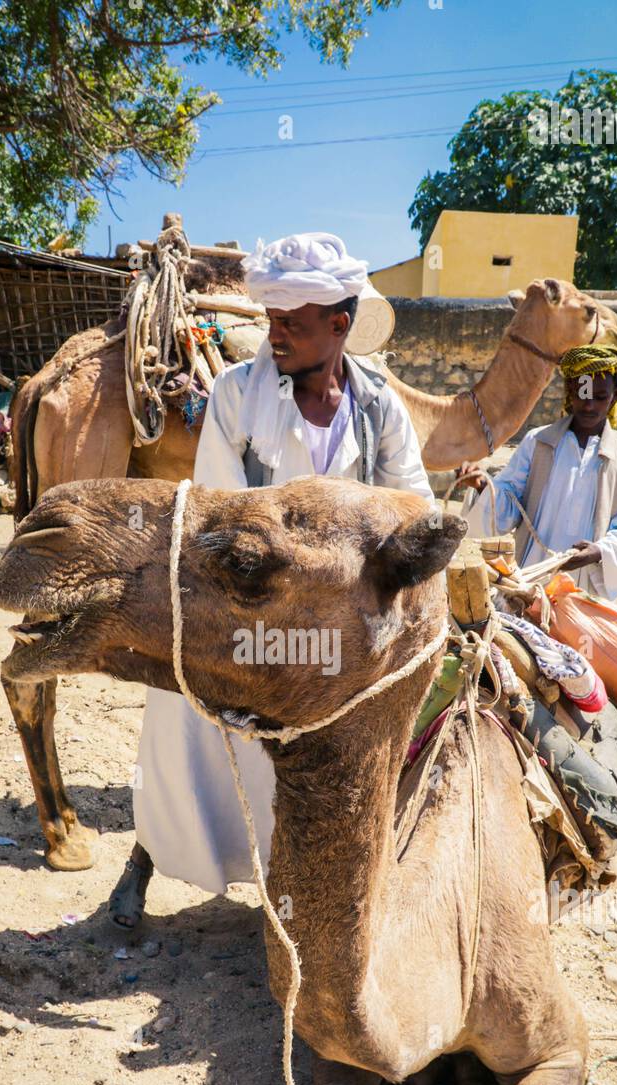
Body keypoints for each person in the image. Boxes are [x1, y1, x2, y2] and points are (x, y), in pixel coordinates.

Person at [109, 231, 436, 928]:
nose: (275, 334)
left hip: (340, 614)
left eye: (291, 321)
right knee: (182, 707)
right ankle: (148, 853)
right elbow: (220, 508)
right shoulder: (236, 395)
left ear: (339, 325)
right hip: (244, 593)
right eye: (272, 318)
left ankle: (298, 890)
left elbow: (412, 505)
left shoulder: (379, 408)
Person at [462, 344, 617, 600]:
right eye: (582, 394)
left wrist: (600, 551)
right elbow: (509, 503)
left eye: (600, 396)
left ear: (614, 396)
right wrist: (483, 487)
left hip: (587, 587)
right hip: (530, 579)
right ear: (570, 391)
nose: (589, 405)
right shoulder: (538, 442)